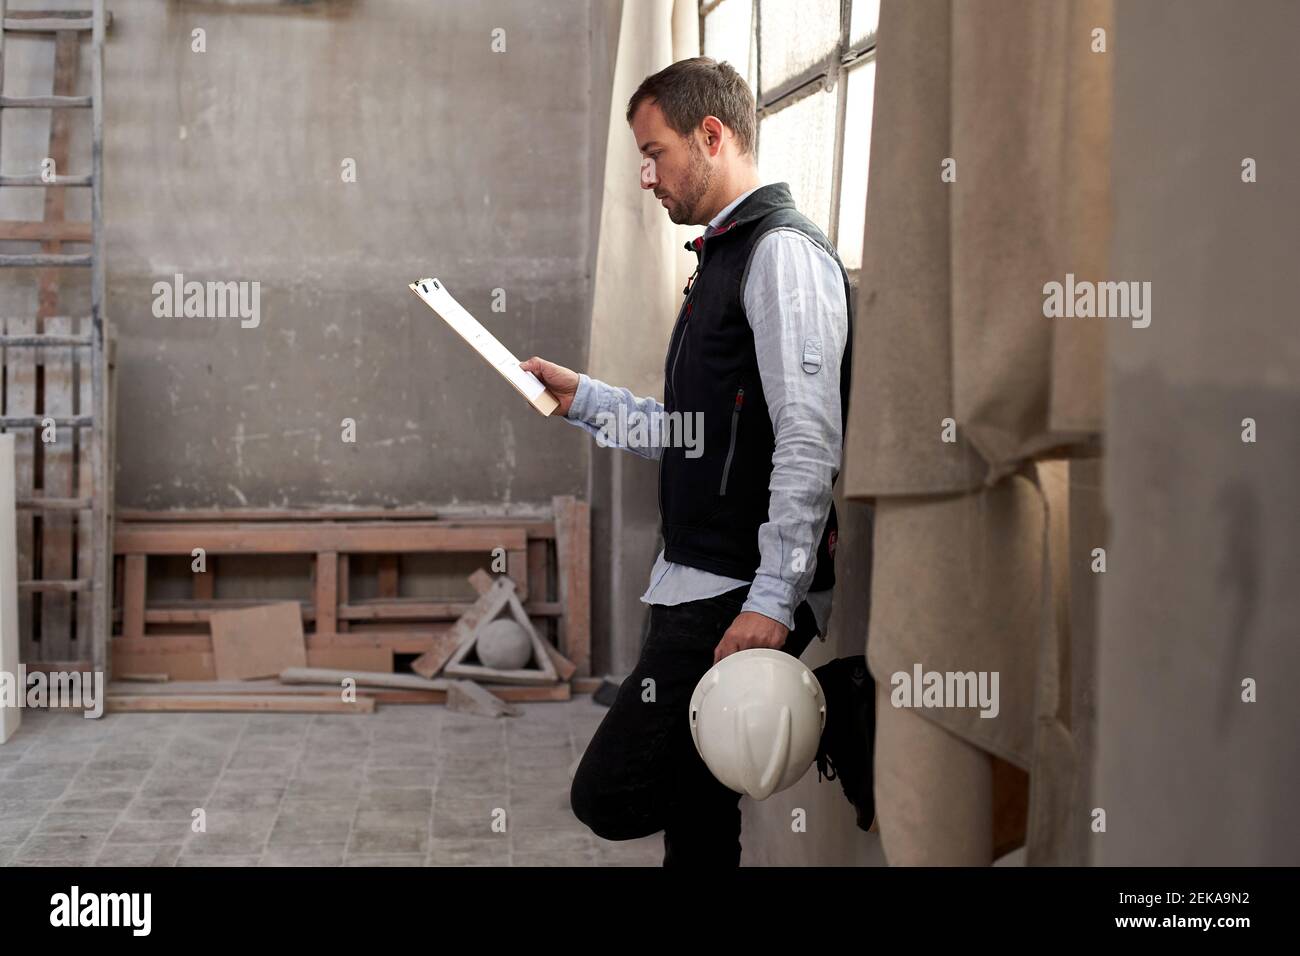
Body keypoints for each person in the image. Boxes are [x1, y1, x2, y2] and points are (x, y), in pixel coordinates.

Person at [520, 56, 852, 867]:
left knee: (613, 793)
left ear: (712, 135)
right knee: (701, 816)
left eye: (654, 151)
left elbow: (810, 441)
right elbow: (696, 431)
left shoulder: (781, 256)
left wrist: (773, 600)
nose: (646, 176)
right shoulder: (722, 258)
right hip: (694, 580)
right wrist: (586, 400)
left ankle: (841, 714)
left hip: (735, 594)